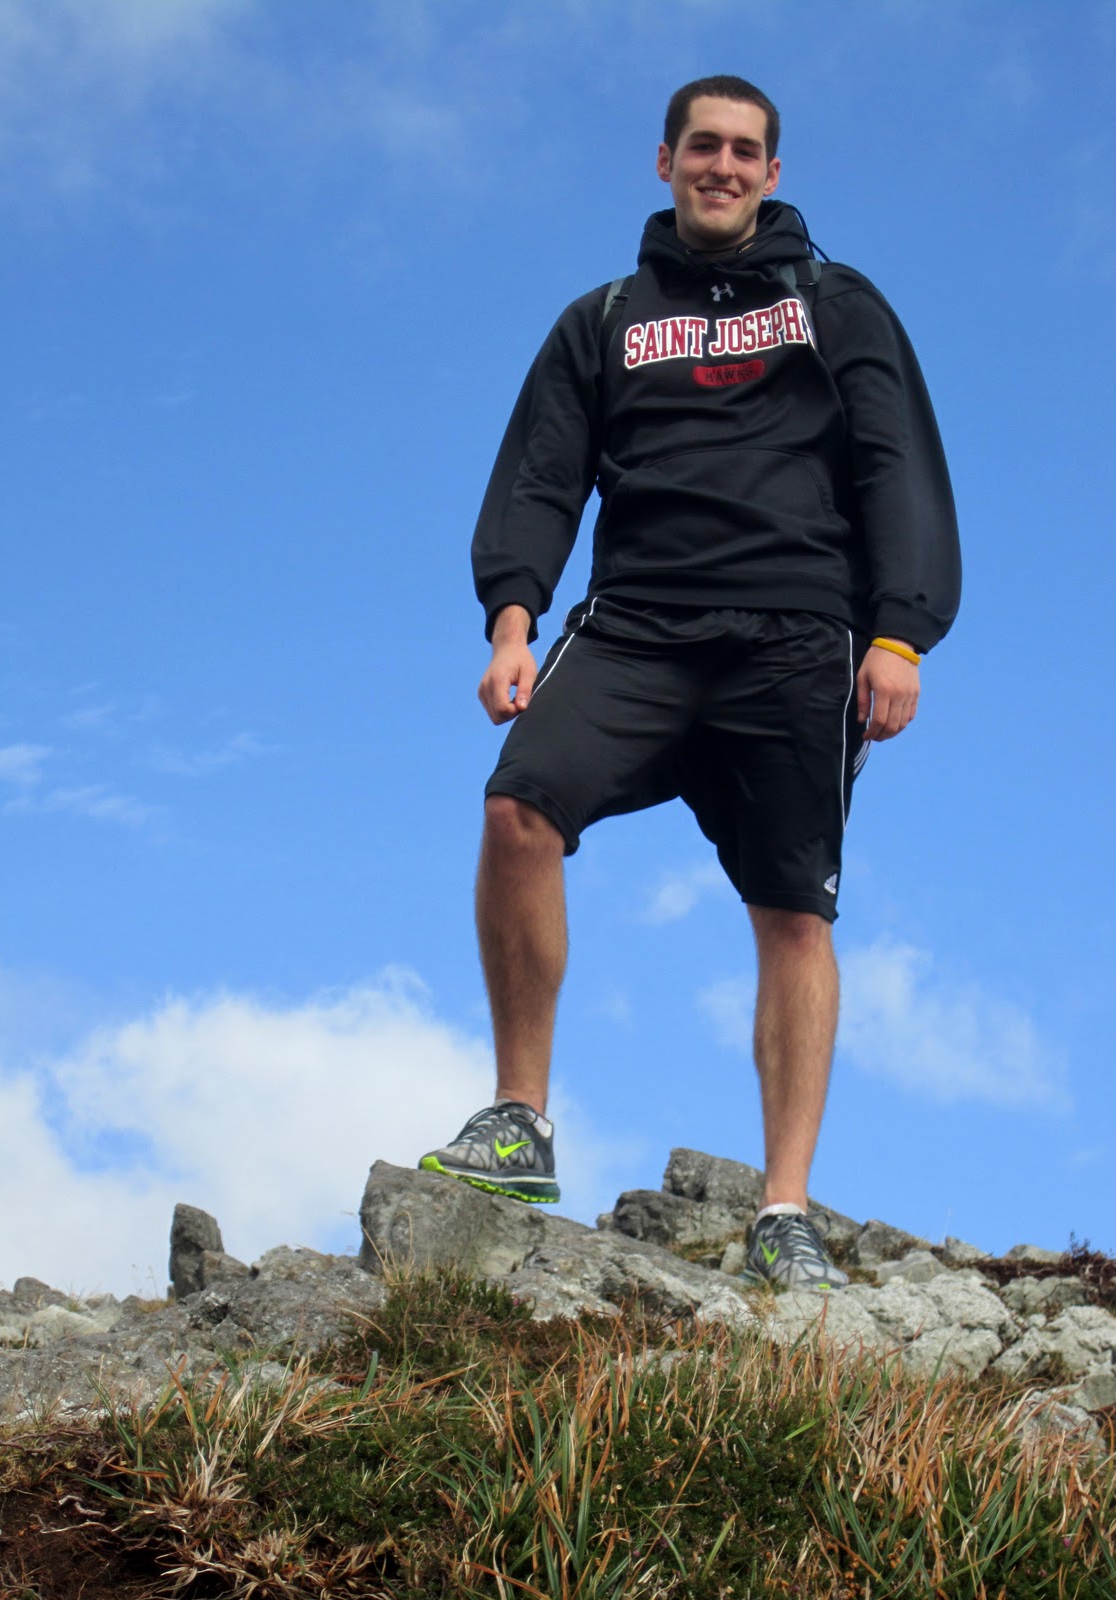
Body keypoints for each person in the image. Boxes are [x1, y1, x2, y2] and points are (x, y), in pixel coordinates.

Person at [420, 75, 960, 1291]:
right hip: (639, 626)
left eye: (745, 151)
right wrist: (514, 620)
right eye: (701, 146)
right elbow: (541, 477)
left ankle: (783, 1209)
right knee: (519, 804)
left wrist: (902, 633)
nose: (722, 165)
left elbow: (896, 465)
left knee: (793, 912)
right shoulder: (602, 317)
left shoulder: (836, 302)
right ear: (662, 161)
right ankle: (519, 1119)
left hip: (797, 635)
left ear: (772, 173)